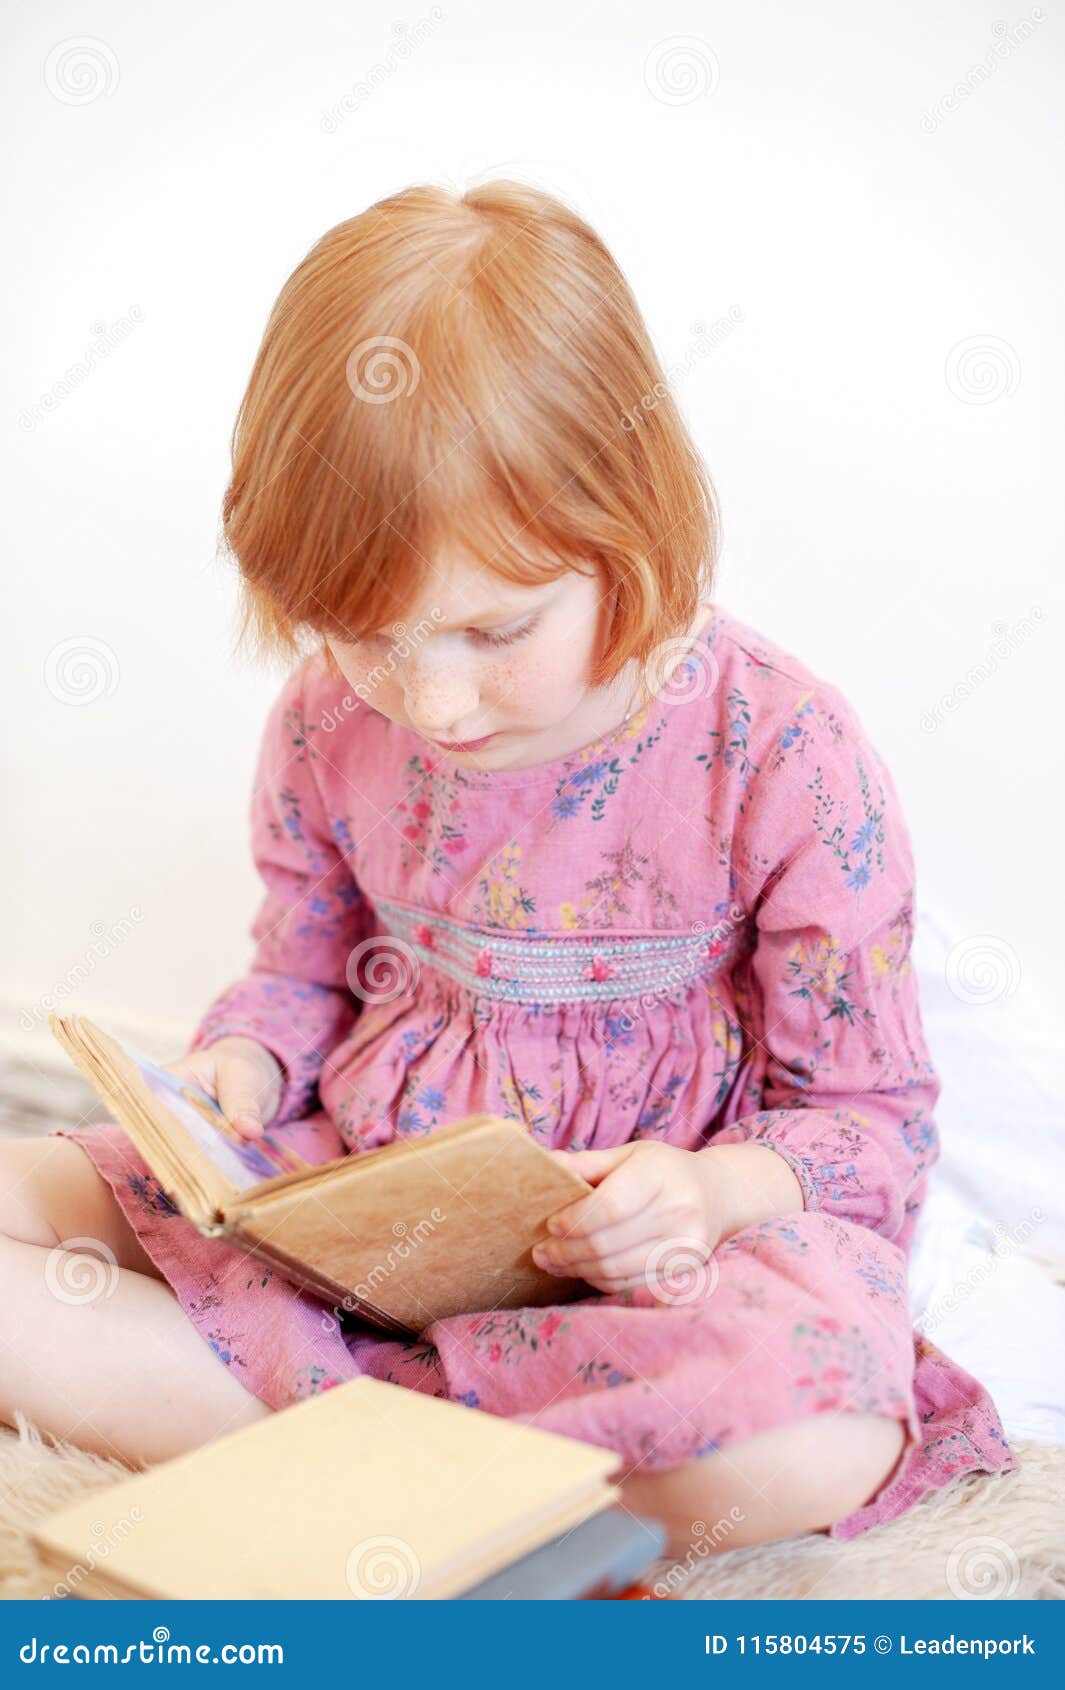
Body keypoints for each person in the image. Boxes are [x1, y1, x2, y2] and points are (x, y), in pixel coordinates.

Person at [1, 182, 1013, 1558]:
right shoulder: (321, 717)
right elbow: (297, 969)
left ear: (630, 532)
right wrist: (232, 1078)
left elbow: (867, 1112)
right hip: (358, 1202)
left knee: (818, 1434)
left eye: (494, 629)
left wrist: (706, 1193)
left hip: (650, 1269)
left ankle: (343, 1447)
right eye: (367, 635)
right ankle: (404, 1456)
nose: (432, 702)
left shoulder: (778, 745)